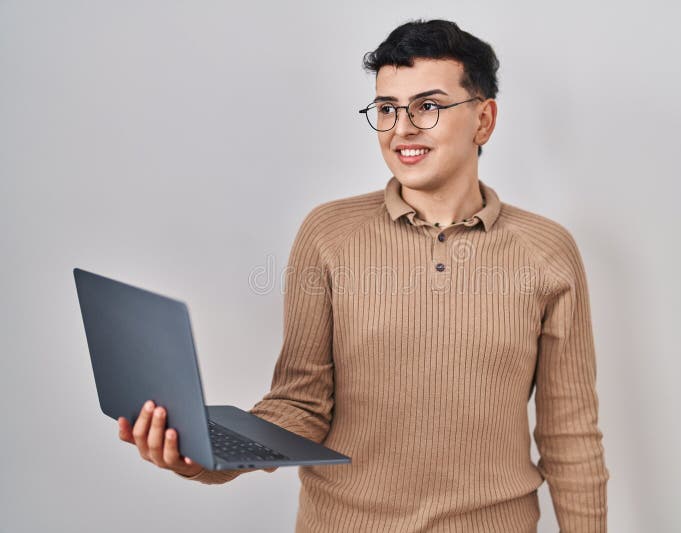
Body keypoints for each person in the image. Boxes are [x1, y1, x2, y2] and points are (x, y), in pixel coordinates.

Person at [117, 18, 610, 532]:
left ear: (483, 120)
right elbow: (300, 404)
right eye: (387, 109)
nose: (401, 129)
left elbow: (571, 435)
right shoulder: (328, 233)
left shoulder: (548, 251)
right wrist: (204, 456)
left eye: (428, 106)